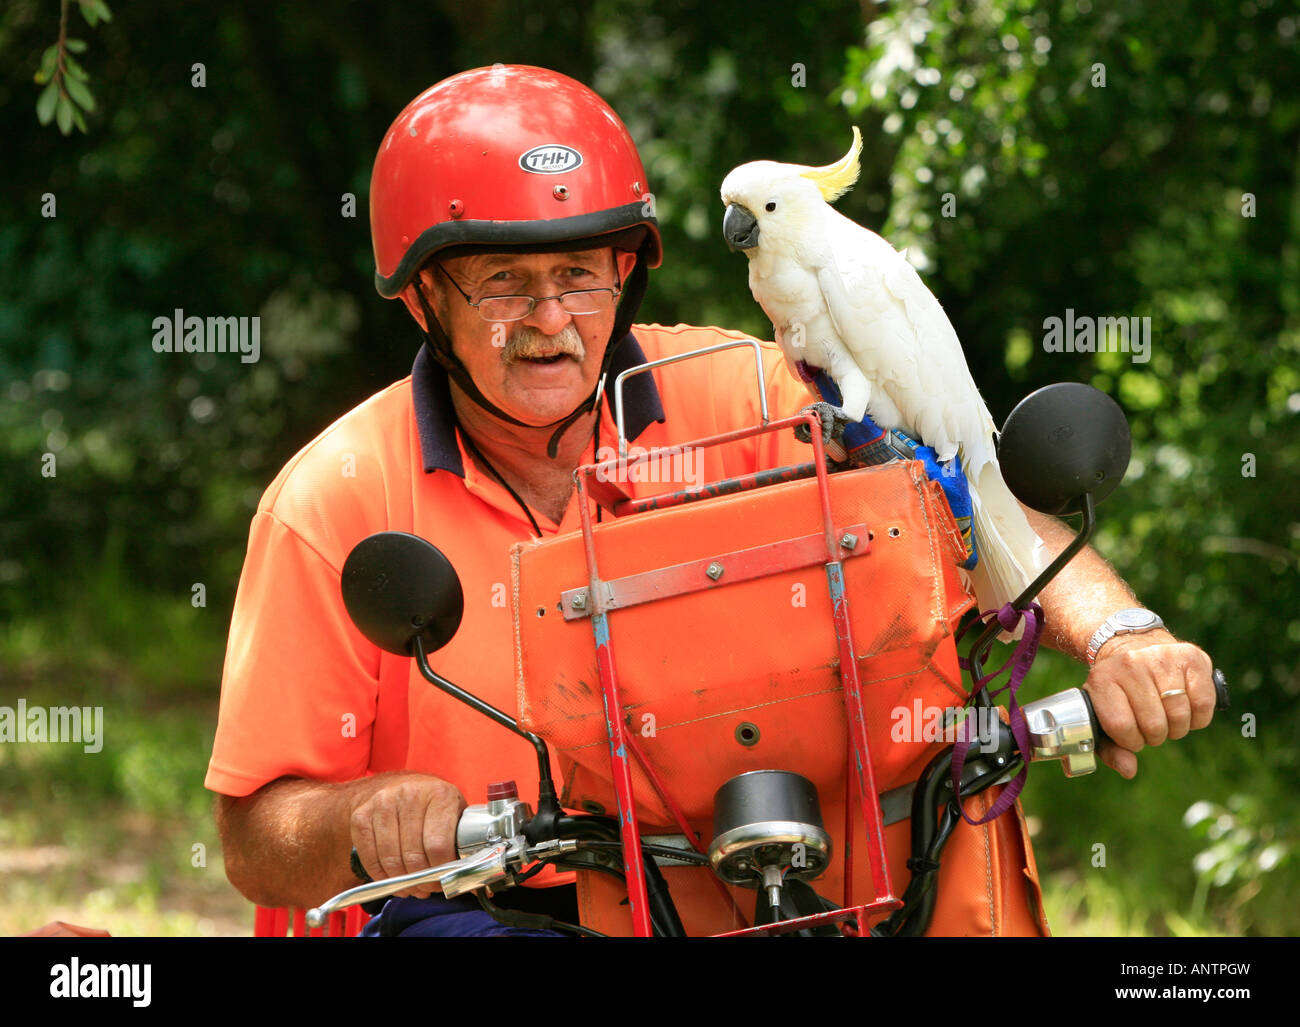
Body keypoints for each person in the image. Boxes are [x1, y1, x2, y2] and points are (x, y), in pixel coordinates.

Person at [206, 65, 1218, 937]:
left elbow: (972, 502)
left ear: (625, 277)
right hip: (503, 907)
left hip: (793, 882)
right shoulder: (333, 499)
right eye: (501, 284)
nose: (548, 319)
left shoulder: (759, 395)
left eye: (578, 275)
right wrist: (365, 812)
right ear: (425, 297)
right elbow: (255, 837)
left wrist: (1120, 635)